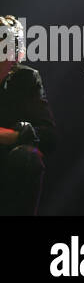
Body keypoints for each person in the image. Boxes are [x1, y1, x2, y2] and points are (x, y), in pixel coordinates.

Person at [0, 16, 57, 216]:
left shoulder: (26, 79)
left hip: (7, 164)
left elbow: (48, 136)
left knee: (27, 156)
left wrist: (14, 136)